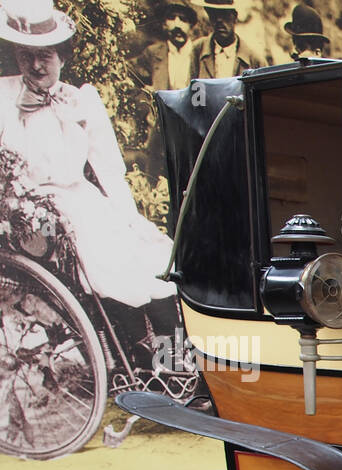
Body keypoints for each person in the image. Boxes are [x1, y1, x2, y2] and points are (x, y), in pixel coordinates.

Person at [0, 0, 172, 307]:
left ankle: (139, 331)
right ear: (16, 55)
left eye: (45, 56)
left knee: (134, 249)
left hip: (78, 199)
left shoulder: (82, 100)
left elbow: (108, 169)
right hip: (27, 204)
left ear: (63, 56)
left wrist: (131, 219)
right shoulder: (5, 95)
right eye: (26, 56)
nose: (36, 66)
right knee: (89, 248)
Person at [135, 3, 198, 91]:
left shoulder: (200, 53)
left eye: (183, 19)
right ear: (164, 24)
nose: (177, 25)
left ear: (191, 26)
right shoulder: (153, 53)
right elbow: (130, 74)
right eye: (171, 18)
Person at [189, 0, 257, 80]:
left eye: (224, 14)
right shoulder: (198, 50)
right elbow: (191, 88)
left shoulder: (252, 58)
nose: (219, 21)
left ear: (235, 17)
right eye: (214, 15)